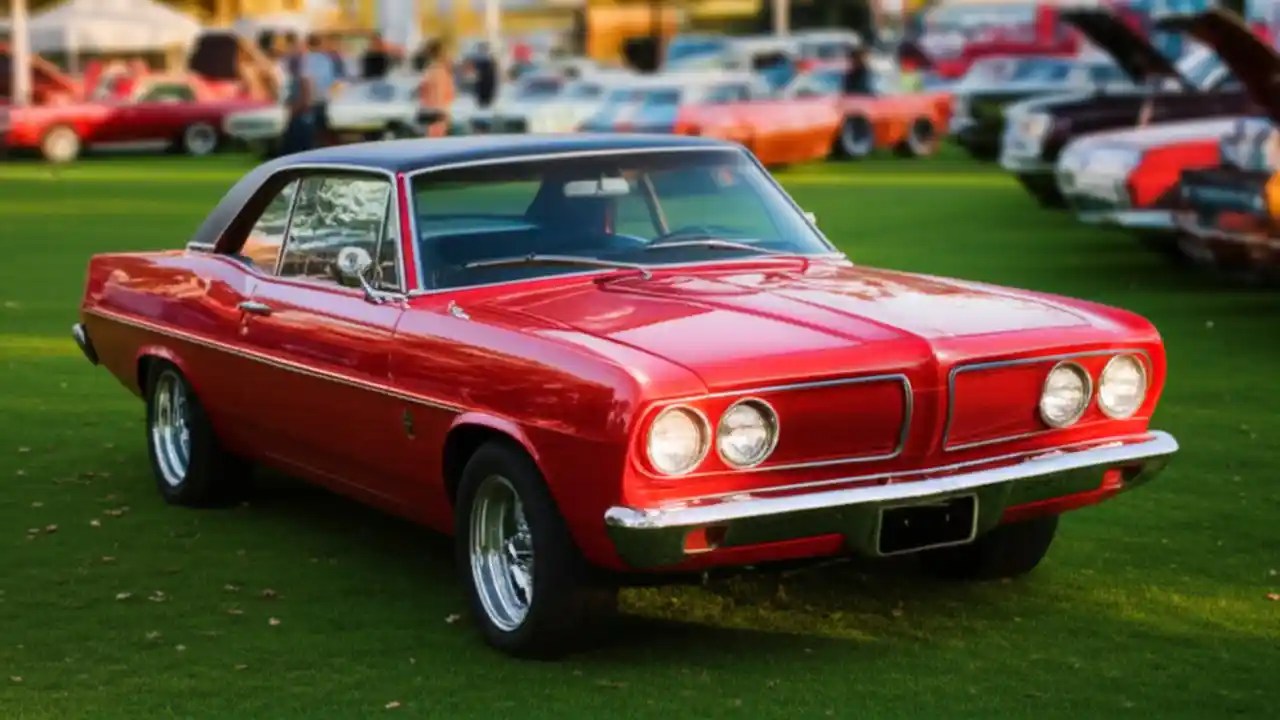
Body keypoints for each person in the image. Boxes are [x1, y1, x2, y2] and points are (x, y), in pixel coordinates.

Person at [279, 38, 316, 156]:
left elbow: (305, 94)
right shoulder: (294, 73)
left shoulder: (303, 73)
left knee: (298, 140)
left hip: (300, 112)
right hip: (297, 110)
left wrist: (296, 108)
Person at [303, 33, 338, 143]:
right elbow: (331, 80)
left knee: (313, 126)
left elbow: (307, 79)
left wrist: (307, 99)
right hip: (324, 97)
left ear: (308, 44)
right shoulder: (326, 59)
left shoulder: (306, 60)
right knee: (323, 124)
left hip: (312, 97)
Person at [419, 40, 456, 138]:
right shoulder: (441, 71)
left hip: (430, 110)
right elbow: (447, 94)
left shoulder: (428, 71)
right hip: (438, 111)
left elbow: (423, 92)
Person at [473, 43, 498, 109]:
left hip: (485, 87)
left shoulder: (484, 61)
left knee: (484, 104)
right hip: (485, 87)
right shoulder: (489, 60)